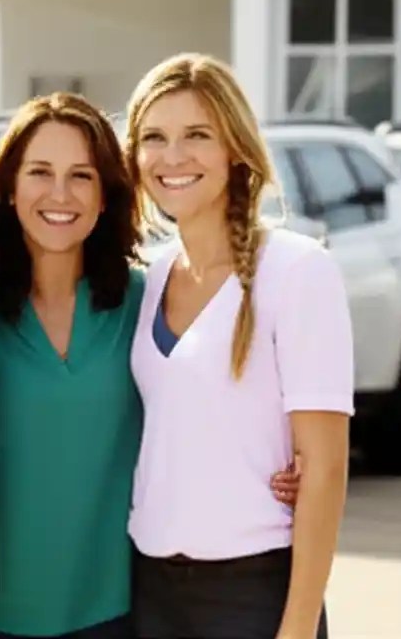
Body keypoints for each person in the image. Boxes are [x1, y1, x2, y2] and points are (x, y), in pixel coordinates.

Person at [0, 92, 301, 639]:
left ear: (106, 193)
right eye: (40, 172)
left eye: (82, 176)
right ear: (9, 186)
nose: (60, 194)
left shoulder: (148, 301)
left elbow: (213, 401)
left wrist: (287, 465)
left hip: (117, 608)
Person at [123, 53, 352, 638]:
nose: (172, 157)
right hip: (151, 591)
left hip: (253, 596)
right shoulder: (147, 280)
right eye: (155, 137)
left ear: (235, 148)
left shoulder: (299, 270)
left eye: (196, 135)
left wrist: (298, 626)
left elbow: (324, 468)